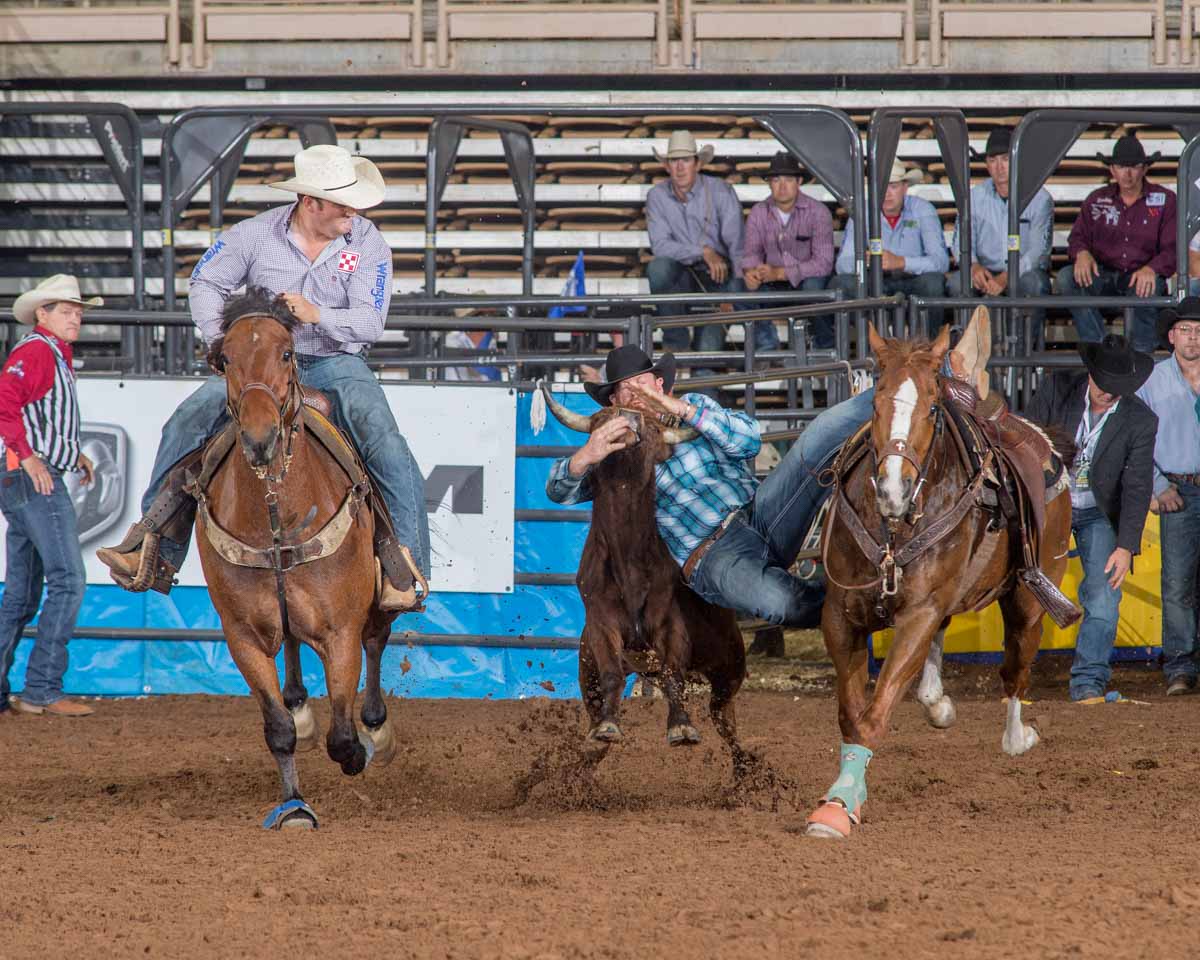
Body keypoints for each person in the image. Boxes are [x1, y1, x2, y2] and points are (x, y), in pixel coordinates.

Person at [97, 145, 429, 611]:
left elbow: (370, 322)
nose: (352, 212)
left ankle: (402, 567)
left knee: (385, 441)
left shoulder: (367, 243)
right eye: (343, 204)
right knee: (186, 422)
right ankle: (151, 548)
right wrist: (223, 343)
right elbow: (205, 282)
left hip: (335, 361)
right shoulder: (254, 234)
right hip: (260, 366)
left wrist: (317, 314)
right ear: (311, 202)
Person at [545, 345, 871, 626]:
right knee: (782, 603)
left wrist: (683, 410)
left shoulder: (693, 405)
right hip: (710, 553)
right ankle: (866, 604)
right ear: (614, 401)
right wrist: (585, 456)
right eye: (625, 390)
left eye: (641, 384)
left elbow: (750, 441)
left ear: (659, 384)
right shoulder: (613, 449)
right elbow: (559, 490)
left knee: (823, 430)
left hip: (762, 511)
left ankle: (895, 393)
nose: (637, 394)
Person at [1026, 335, 1157, 702]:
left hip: (1098, 512)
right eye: (1103, 383)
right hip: (1049, 504)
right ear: (1091, 374)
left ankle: (1089, 680)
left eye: (1117, 387)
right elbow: (1024, 442)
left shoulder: (1141, 420)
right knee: (1024, 588)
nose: (1108, 392)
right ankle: (1017, 672)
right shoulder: (1056, 389)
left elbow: (1137, 485)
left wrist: (1126, 546)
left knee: (1102, 597)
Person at [0, 275, 101, 717]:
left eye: (78, 312)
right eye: (67, 311)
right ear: (43, 313)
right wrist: (30, 458)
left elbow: (29, 412)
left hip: (21, 477)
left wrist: (68, 453)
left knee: (21, 594)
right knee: (68, 580)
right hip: (33, 478)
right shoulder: (40, 352)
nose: (75, 318)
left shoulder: (48, 351)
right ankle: (42, 688)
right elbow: (5, 401)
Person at [1058, 134, 1176, 354]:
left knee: (1148, 287)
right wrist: (1081, 253)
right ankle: (1102, 350)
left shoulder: (1166, 200)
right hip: (1102, 274)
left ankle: (1139, 358)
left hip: (1142, 276)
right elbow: (1077, 237)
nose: (1127, 173)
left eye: (1134, 166)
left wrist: (1152, 269)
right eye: (1121, 166)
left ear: (1144, 169)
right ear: (1112, 170)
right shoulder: (1096, 200)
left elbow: (1173, 249)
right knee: (1067, 278)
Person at [1136, 298, 1200, 695]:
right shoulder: (1152, 381)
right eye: (1186, 330)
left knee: (1181, 582)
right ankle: (1180, 665)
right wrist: (1158, 486)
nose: (1193, 338)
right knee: (1177, 582)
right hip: (1178, 488)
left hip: (1181, 487)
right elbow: (1137, 442)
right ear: (1172, 336)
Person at [644, 130, 750, 366]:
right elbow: (660, 246)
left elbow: (737, 245)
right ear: (666, 166)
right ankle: (676, 339)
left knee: (707, 352)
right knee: (658, 268)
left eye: (686, 160)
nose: (680, 167)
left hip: (718, 275)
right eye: (674, 160)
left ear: (698, 164)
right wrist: (702, 251)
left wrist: (735, 292)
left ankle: (701, 367)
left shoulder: (721, 191)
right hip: (681, 273)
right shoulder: (657, 196)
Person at [950, 127, 1054, 341]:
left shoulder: (1040, 198)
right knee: (957, 284)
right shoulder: (973, 197)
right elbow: (961, 241)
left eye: (1005, 159)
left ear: (1017, 160)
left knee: (1034, 284)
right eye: (993, 160)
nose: (999, 167)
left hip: (1023, 272)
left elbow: (1038, 252)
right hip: (985, 269)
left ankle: (1026, 350)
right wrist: (973, 266)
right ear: (987, 164)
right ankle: (968, 350)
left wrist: (1007, 277)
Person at [831, 159, 948, 323]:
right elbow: (842, 264)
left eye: (893, 186)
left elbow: (940, 261)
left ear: (905, 187)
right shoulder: (861, 211)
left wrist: (901, 262)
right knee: (841, 284)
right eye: (881, 187)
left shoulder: (923, 209)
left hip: (912, 280)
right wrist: (866, 261)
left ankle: (931, 339)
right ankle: (867, 335)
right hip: (874, 280)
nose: (886, 194)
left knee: (933, 283)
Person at [742, 151, 835, 349]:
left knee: (814, 289)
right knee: (740, 290)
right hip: (772, 284)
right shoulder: (758, 212)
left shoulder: (818, 212)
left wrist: (781, 273)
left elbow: (824, 264)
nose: (782, 186)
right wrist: (752, 273)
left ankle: (824, 348)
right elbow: (751, 254)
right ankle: (767, 349)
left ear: (799, 181)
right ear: (769, 183)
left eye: (789, 179)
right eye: (776, 180)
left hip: (806, 283)